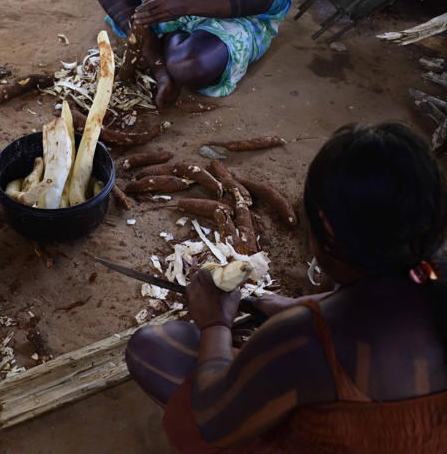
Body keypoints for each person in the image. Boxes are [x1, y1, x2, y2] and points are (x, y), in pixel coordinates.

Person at [126, 122, 447, 452]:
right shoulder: (433, 272)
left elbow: (212, 418)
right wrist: (270, 303)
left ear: (326, 230)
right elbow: (374, 301)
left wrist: (215, 323)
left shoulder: (304, 338)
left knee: (154, 347)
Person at [87, 0, 306, 106]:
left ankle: (172, 37)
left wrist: (183, 7)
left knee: (189, 65)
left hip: (241, 12)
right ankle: (156, 60)